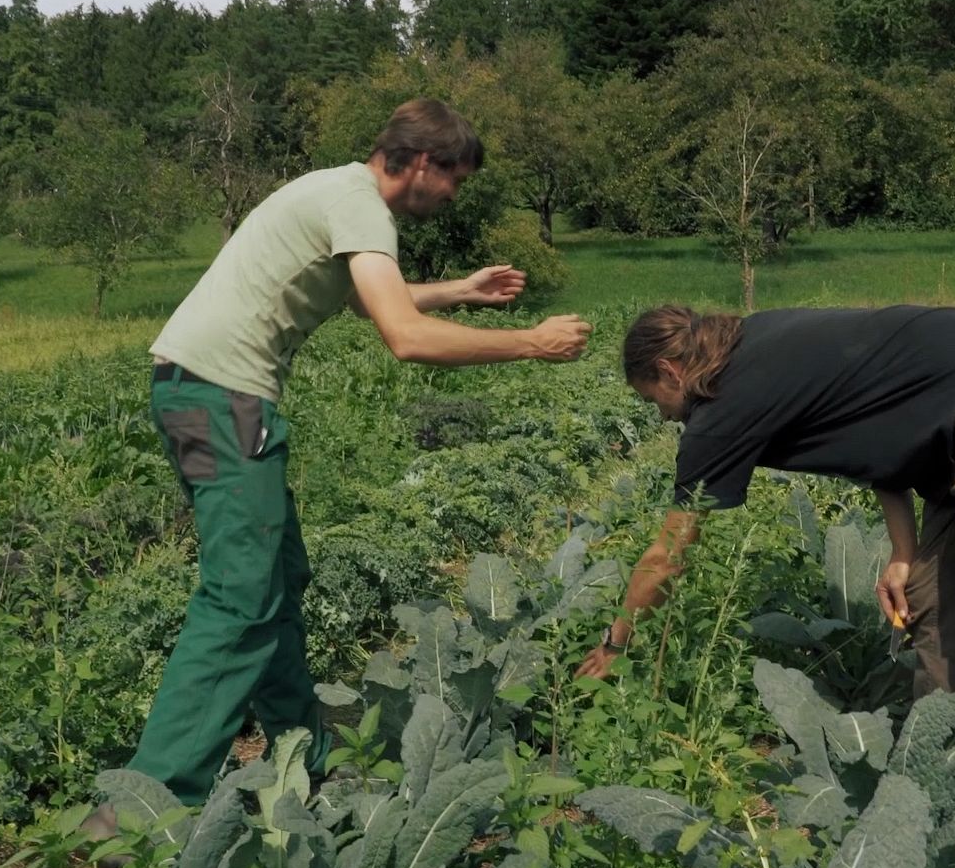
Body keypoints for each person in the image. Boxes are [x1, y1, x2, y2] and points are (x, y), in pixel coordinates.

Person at [97, 98, 592, 823]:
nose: (454, 194)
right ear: (423, 163)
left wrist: (461, 289)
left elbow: (369, 301)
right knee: (240, 594)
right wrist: (530, 341)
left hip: (195, 390)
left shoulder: (336, 191)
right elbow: (406, 337)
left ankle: (303, 760)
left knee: (274, 578)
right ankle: (146, 807)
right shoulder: (361, 204)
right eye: (454, 177)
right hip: (224, 399)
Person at [575, 303, 955, 868]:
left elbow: (668, 554)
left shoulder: (725, 406)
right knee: (937, 614)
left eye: (655, 401)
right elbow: (871, 429)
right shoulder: (750, 347)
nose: (664, 417)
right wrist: (902, 553)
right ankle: (945, 806)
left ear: (672, 372)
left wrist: (616, 643)